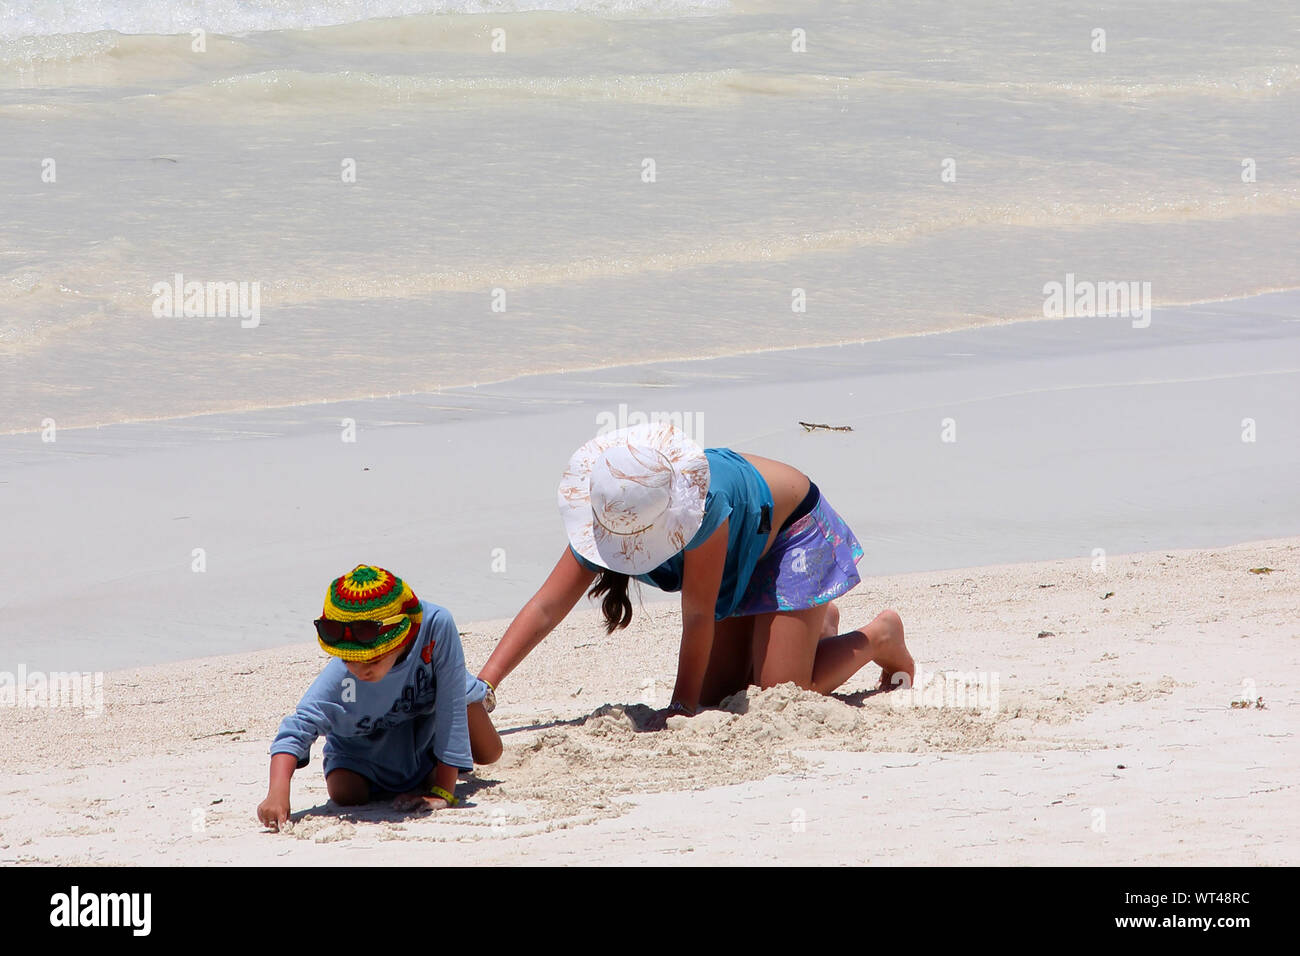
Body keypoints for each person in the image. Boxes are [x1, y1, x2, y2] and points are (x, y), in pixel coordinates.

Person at [478, 422, 913, 716]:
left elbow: (700, 615)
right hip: (744, 551)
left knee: (781, 691)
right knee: (722, 695)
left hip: (790, 532)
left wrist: (679, 710)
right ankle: (811, 624)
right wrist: (485, 687)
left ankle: (879, 636)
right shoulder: (614, 507)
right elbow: (545, 608)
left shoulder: (698, 510)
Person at [257, 564, 502, 831]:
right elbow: (298, 727)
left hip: (428, 721)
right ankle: (416, 774)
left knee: (490, 751)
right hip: (367, 745)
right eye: (350, 659)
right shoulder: (342, 678)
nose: (360, 670)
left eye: (373, 659)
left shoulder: (435, 626)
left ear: (401, 638)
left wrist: (443, 791)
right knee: (344, 792)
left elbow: (451, 706)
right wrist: (277, 793)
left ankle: (438, 757)